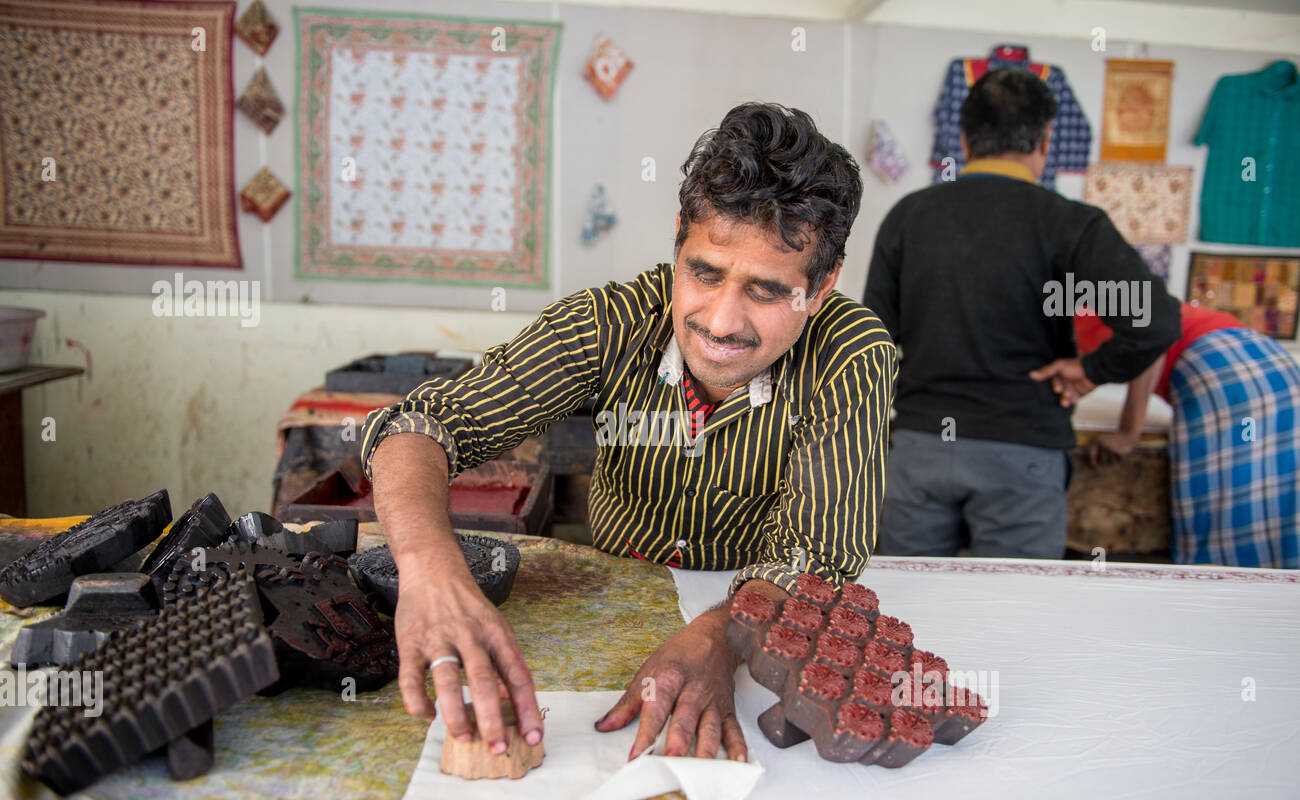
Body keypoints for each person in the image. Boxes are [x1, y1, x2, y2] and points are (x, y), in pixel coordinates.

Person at [361, 103, 896, 762]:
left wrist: (718, 637)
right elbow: (419, 424)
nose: (721, 321)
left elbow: (816, 556)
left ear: (820, 287)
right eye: (704, 273)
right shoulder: (608, 323)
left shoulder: (850, 351)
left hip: (757, 623)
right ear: (678, 238)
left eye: (765, 291)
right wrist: (427, 568)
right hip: (607, 606)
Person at [864, 67, 1181, 559]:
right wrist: (1092, 370)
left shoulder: (910, 216)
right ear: (1046, 140)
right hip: (1021, 454)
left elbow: (873, 343)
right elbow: (1155, 320)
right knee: (1013, 615)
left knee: (913, 614)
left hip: (918, 448)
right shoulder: (1069, 225)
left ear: (965, 140)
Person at [1078, 303, 1300, 568]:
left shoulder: (1081, 313)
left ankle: (1228, 587)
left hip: (1224, 369)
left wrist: (1128, 433)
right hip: (1273, 365)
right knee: (1280, 492)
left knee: (1230, 496)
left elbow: (1150, 346)